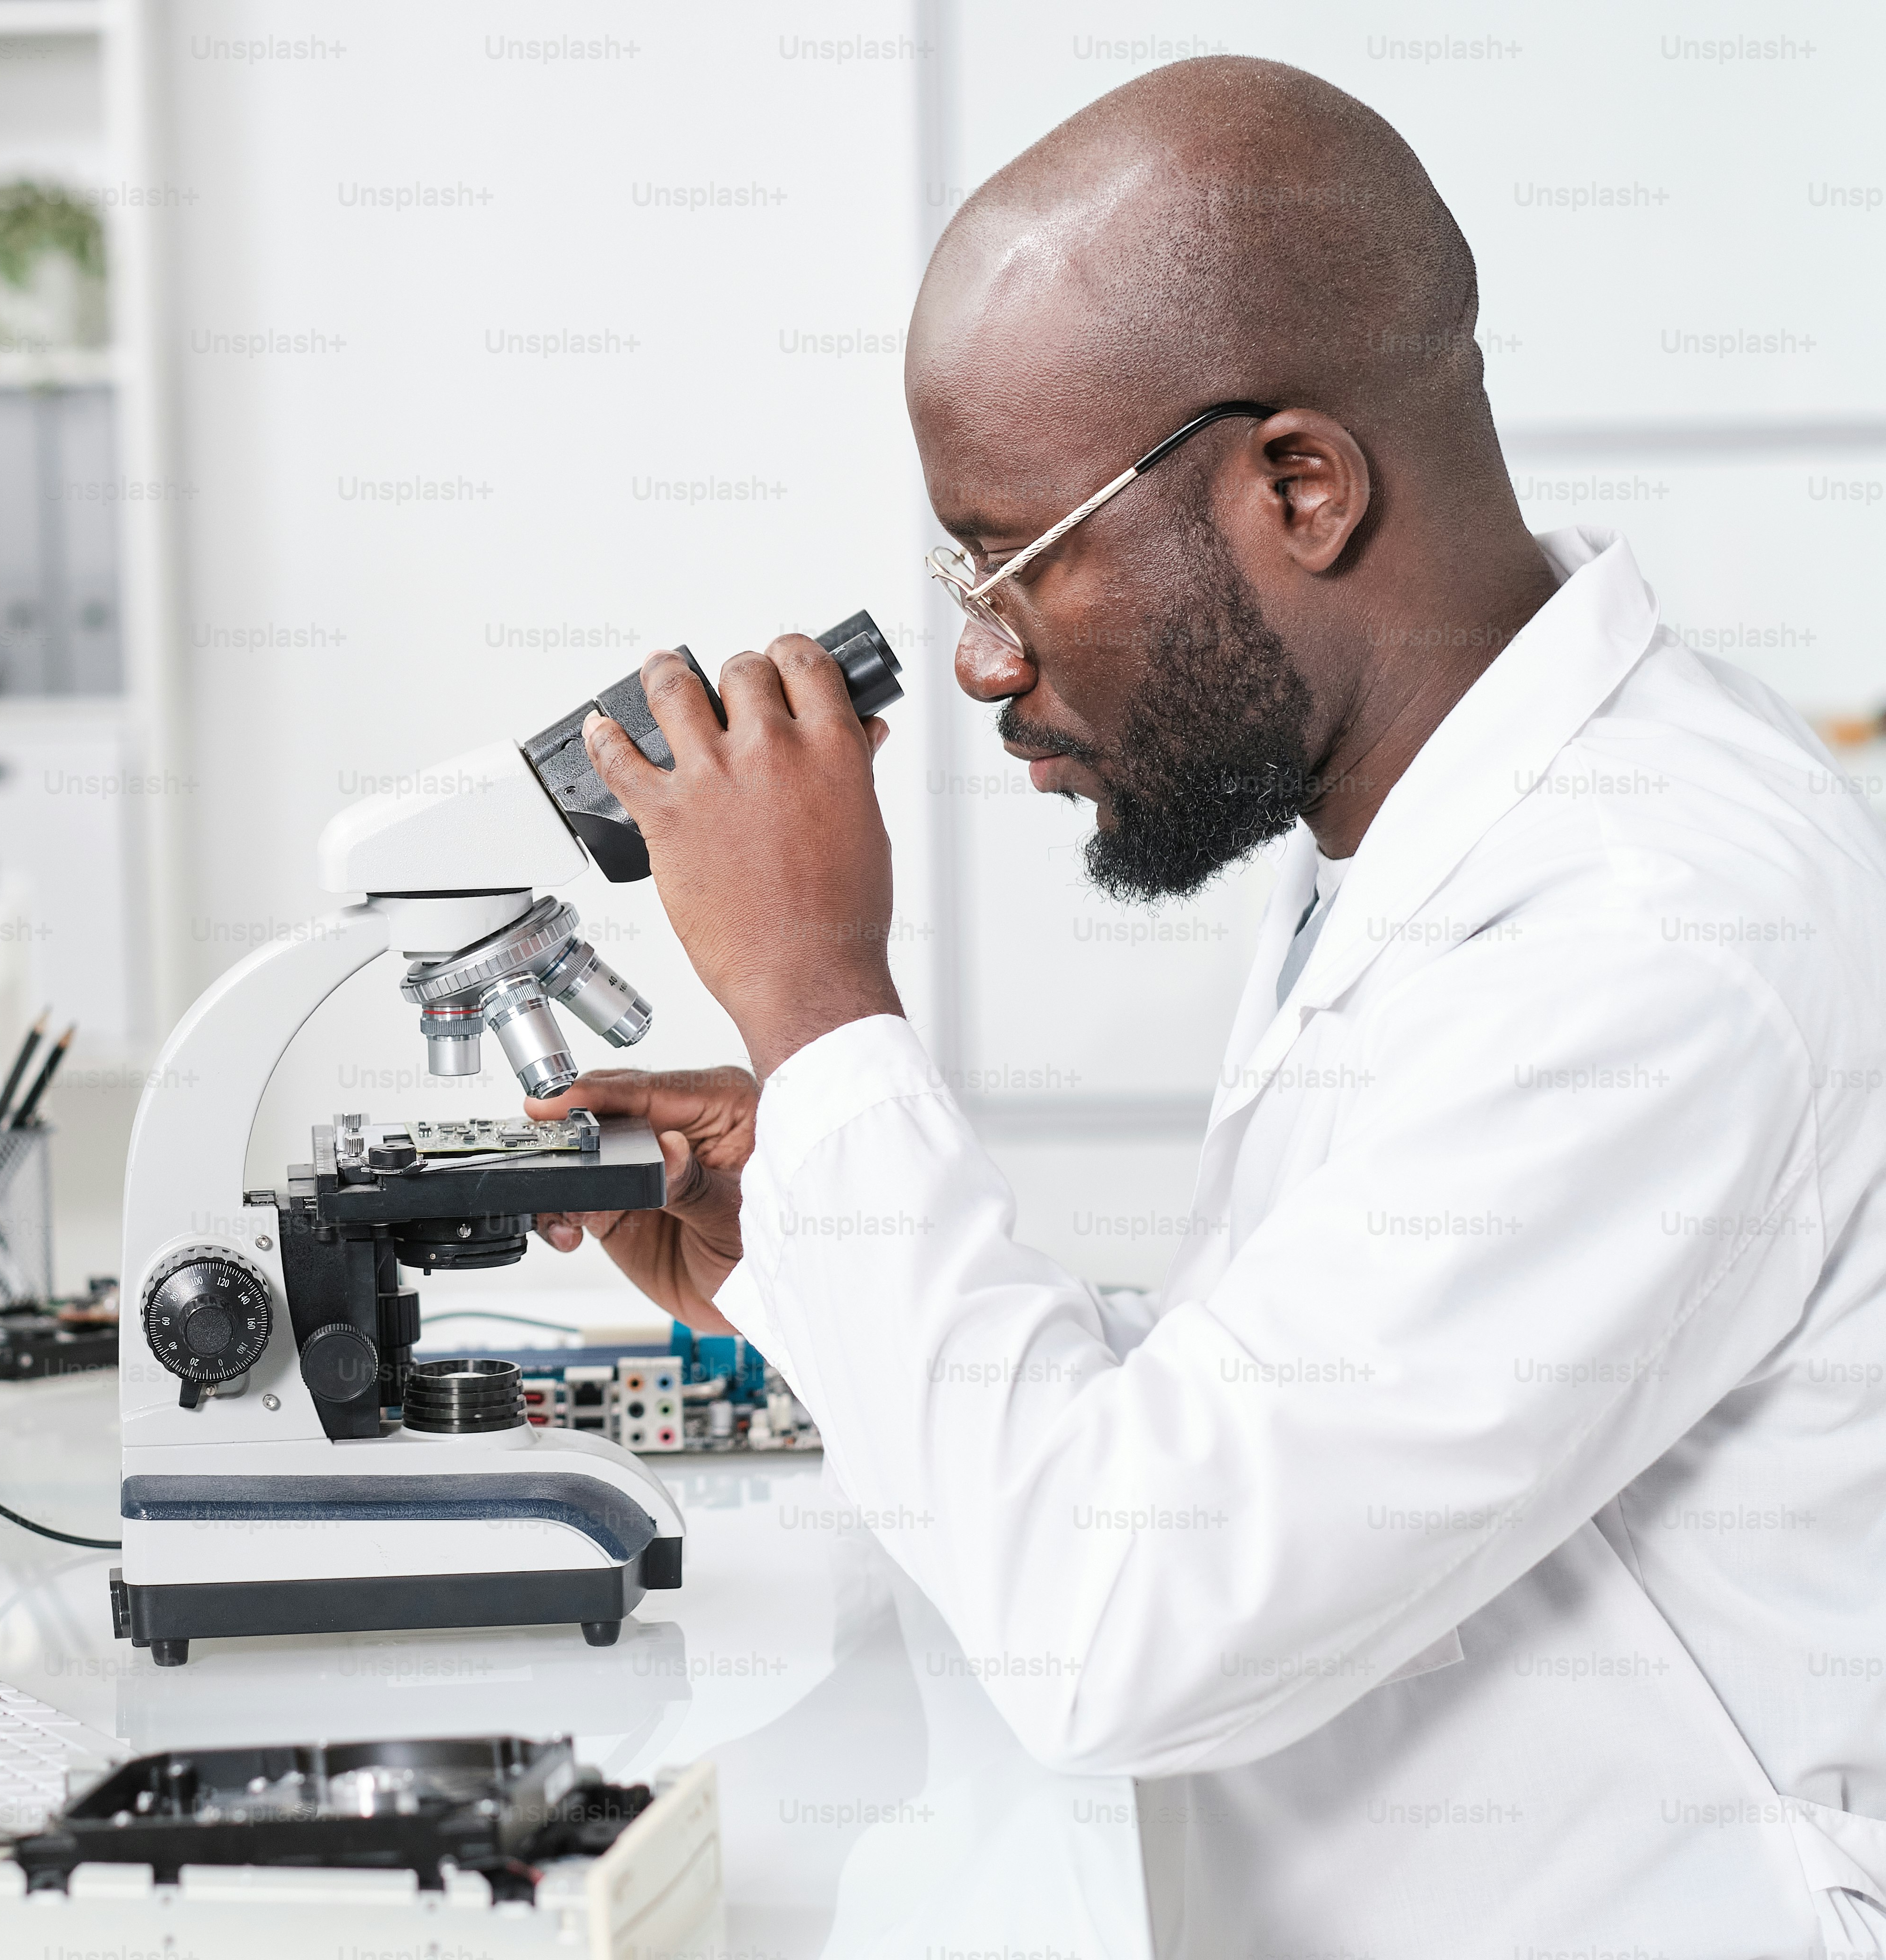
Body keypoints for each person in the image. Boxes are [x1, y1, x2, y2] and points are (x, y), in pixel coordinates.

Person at [534, 56, 1886, 1959]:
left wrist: (816, 994)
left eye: (1011, 558)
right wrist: (812, 1239)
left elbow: (1125, 1615)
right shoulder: (1439, 828)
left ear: (1300, 486)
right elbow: (1290, 1414)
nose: (984, 659)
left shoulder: (1656, 931)